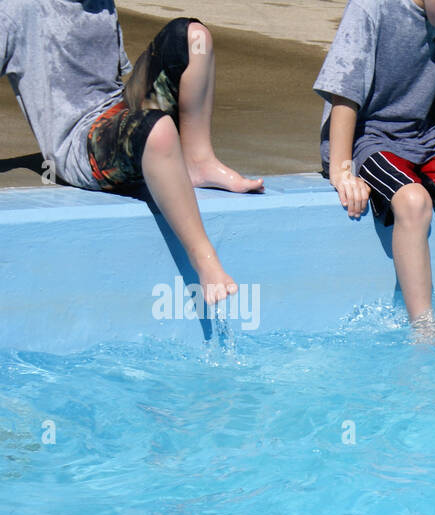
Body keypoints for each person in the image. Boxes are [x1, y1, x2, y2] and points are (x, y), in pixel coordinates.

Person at [0, 2, 262, 308]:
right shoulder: (17, 8)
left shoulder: (99, 4)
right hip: (79, 143)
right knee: (157, 131)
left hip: (117, 111)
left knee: (194, 37)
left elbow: (111, 84)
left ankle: (199, 161)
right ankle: (203, 258)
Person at [316, 0, 435, 338]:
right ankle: (424, 327)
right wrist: (342, 169)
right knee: (413, 201)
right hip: (368, 136)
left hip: (423, 136)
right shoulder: (371, 8)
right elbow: (344, 90)